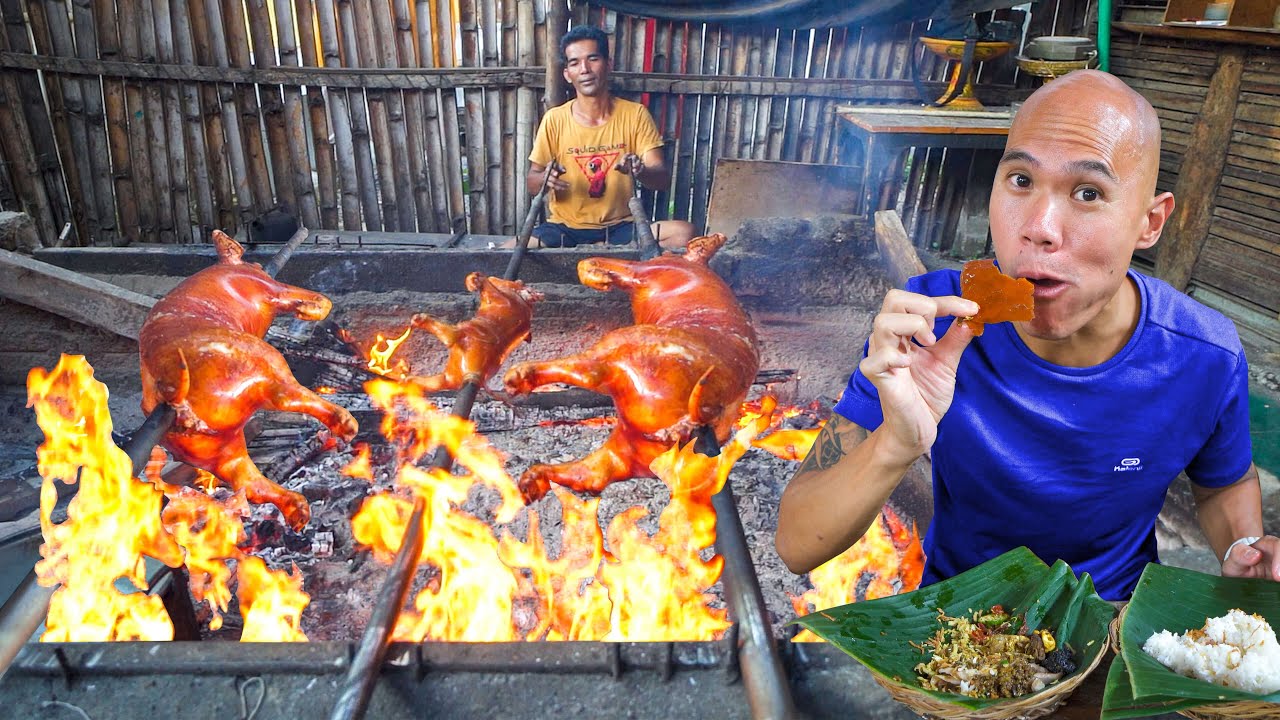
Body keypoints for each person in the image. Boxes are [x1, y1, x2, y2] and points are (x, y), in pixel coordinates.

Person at [775, 70, 1278, 602]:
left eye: (1088, 192)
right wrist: (895, 443)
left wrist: (1241, 546)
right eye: (1020, 181)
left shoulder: (1204, 355)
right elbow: (796, 544)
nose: (1039, 226)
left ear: (1149, 223)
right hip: (956, 622)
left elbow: (1224, 481)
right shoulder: (932, 328)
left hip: (1112, 620)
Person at [525, 25, 695, 250]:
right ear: (567, 74)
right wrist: (545, 178)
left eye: (592, 59)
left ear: (608, 65)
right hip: (564, 229)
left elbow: (662, 179)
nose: (584, 69)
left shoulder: (635, 115)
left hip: (622, 228)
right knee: (509, 249)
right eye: (574, 63)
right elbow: (532, 182)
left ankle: (601, 249)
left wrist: (640, 170)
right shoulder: (554, 119)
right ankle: (600, 251)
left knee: (685, 233)